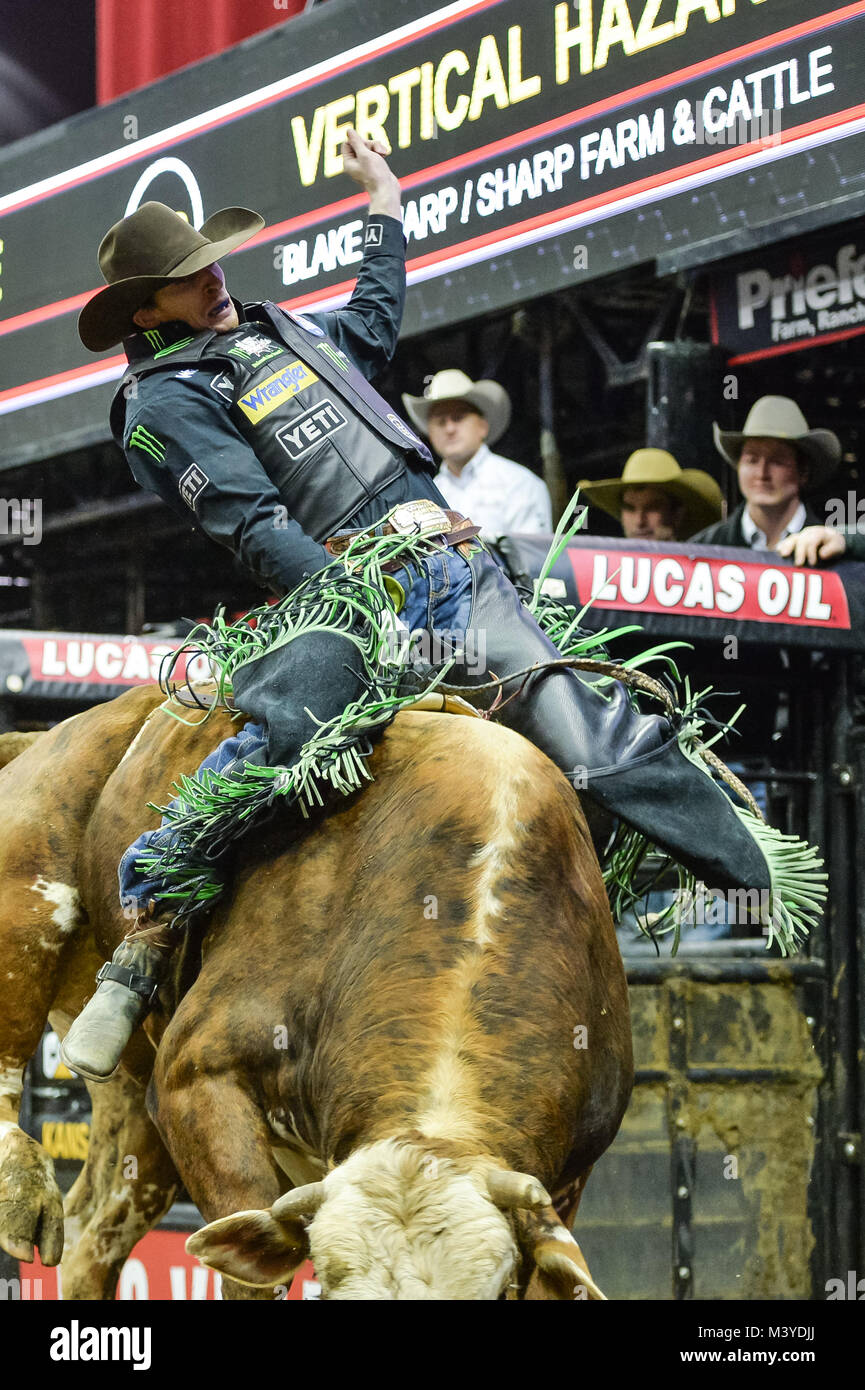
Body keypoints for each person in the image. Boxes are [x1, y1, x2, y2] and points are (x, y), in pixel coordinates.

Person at [61, 131, 822, 1081]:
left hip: (456, 564)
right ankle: (149, 926)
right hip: (344, 587)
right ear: (146, 308)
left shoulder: (284, 332)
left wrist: (383, 199)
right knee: (290, 727)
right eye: (187, 276)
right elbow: (250, 518)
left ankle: (759, 878)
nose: (213, 279)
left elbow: (372, 323)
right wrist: (353, 596)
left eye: (211, 262)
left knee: (584, 735)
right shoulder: (161, 401)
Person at [402, 369, 552, 536]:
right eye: (441, 422)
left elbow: (531, 558)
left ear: (483, 426)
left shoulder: (520, 484)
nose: (450, 428)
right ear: (430, 433)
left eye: (458, 418)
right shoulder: (427, 495)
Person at [690, 396, 840, 549]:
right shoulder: (703, 551)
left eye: (777, 461)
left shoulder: (833, 552)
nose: (762, 474)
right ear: (739, 466)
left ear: (803, 472)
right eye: (752, 460)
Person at [579, 448, 723, 541]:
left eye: (652, 508)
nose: (639, 521)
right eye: (630, 508)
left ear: (677, 514)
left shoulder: (701, 569)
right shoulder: (608, 575)